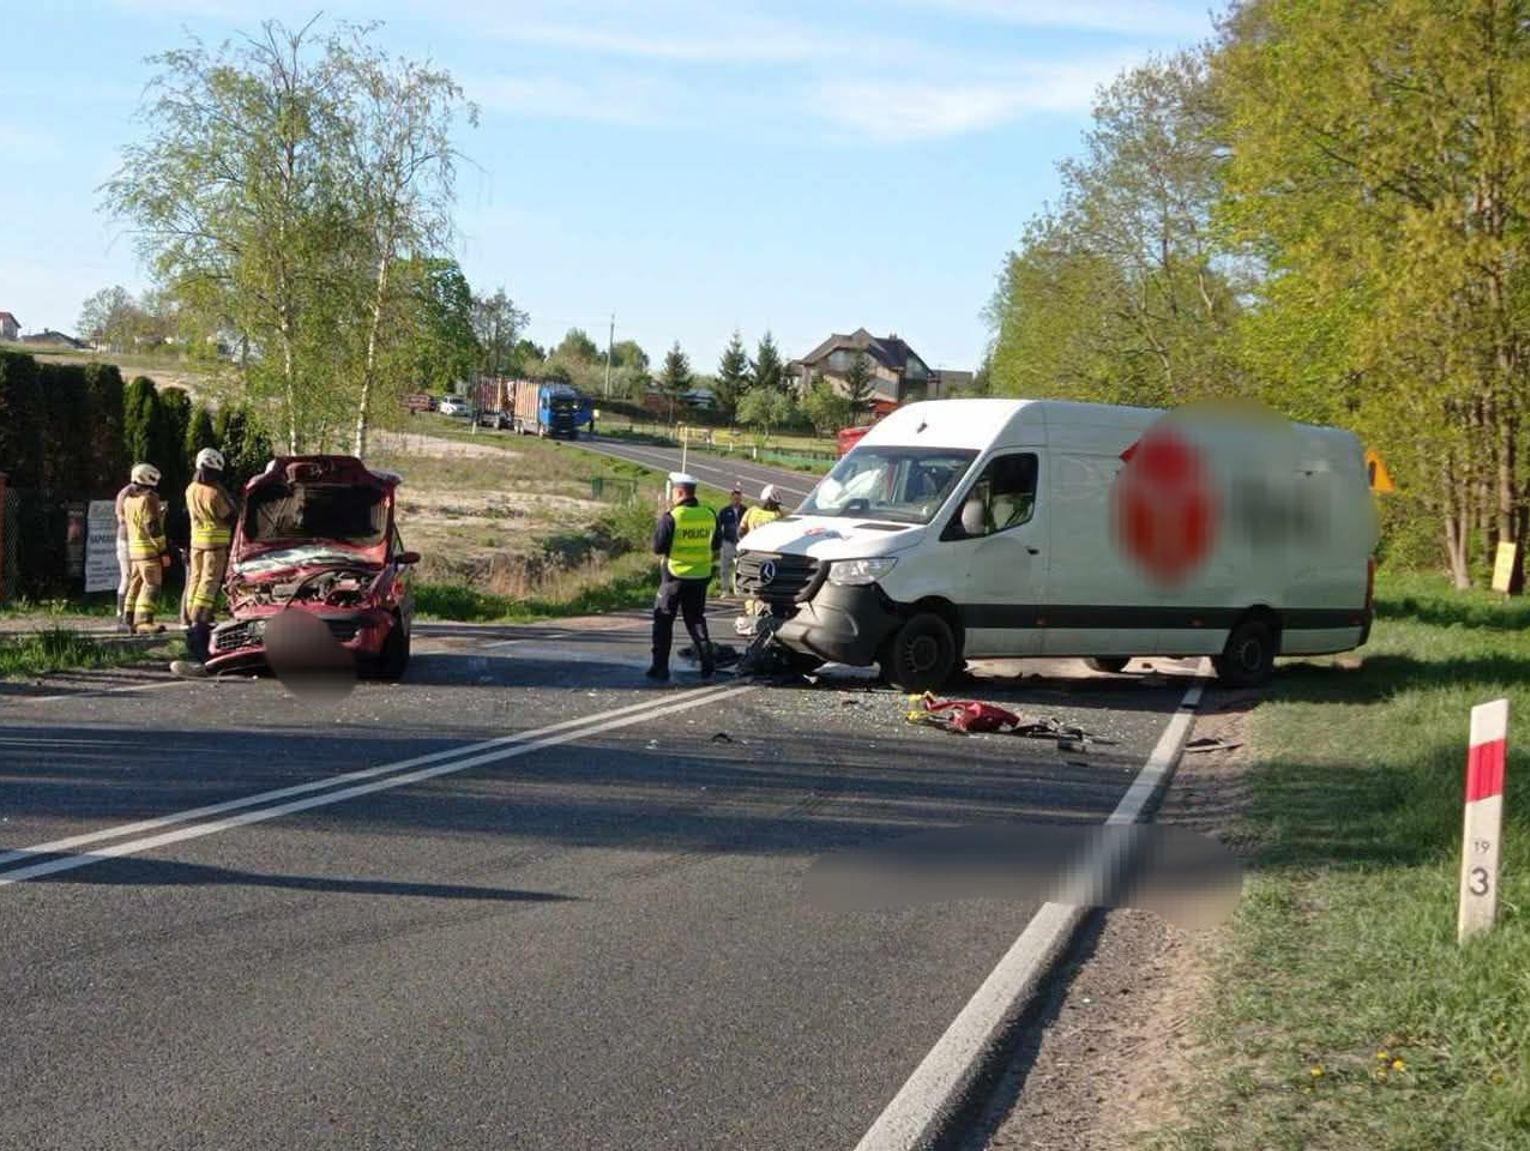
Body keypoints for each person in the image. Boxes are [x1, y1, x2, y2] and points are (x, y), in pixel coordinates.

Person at [171, 448, 237, 678]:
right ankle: (200, 626)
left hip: (196, 543)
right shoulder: (214, 493)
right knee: (208, 586)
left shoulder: (191, 489)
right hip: (214, 546)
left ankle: (192, 623)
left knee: (195, 584)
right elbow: (230, 517)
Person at [648, 472, 719, 682]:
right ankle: (708, 662)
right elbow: (715, 545)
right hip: (701, 576)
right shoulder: (709, 514)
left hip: (674, 577)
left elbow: (657, 548)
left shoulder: (672, 517)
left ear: (679, 492)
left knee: (663, 621)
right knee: (696, 620)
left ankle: (659, 668)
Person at [121, 463, 172, 634]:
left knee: (134, 585)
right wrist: (163, 550)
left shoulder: (128, 500)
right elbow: (152, 527)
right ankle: (144, 621)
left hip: (134, 551)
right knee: (152, 585)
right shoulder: (149, 498)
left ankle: (127, 620)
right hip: (149, 552)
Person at [112, 471, 137, 632]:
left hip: (135, 540)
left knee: (134, 578)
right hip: (126, 540)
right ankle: (121, 616)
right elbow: (121, 517)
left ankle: (131, 614)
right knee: (127, 577)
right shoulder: (127, 493)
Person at [716, 482, 745, 598]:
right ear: (731, 497)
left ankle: (738, 590)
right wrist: (719, 542)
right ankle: (725, 590)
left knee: (739, 568)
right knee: (725, 568)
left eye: (738, 498)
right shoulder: (724, 511)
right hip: (727, 542)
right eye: (734, 498)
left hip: (740, 543)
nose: (736, 500)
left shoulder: (745, 511)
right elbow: (718, 526)